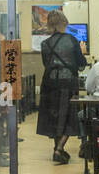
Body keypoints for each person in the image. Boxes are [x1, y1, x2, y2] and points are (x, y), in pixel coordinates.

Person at [37, 11, 87, 164]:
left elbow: (47, 65)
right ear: (63, 23)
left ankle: (58, 148)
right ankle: (59, 150)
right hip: (67, 83)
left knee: (55, 116)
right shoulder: (72, 40)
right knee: (68, 116)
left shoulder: (45, 44)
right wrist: (83, 52)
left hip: (49, 84)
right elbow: (81, 64)